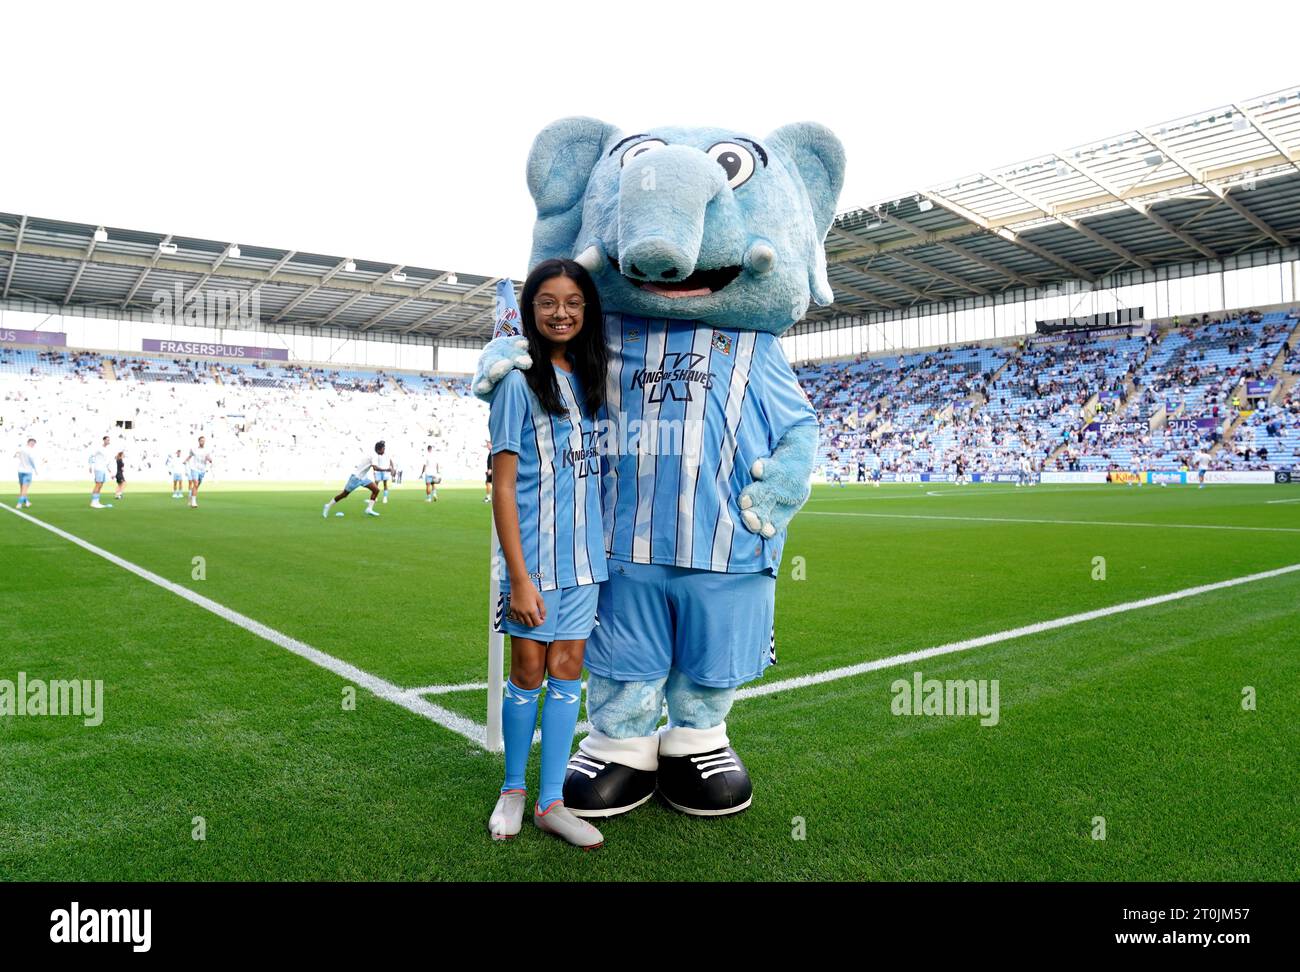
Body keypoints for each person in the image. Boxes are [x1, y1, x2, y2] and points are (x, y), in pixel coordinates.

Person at [487, 259, 608, 849]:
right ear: (531, 311)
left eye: (573, 302)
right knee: (527, 671)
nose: (561, 313)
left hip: (586, 559)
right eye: (548, 302)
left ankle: (551, 801)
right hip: (533, 562)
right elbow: (503, 485)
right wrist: (518, 576)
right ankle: (513, 789)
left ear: (587, 311)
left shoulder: (592, 379)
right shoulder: (517, 380)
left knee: (567, 673)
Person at [324, 441, 385, 517]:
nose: (384, 450)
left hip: (363, 478)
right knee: (344, 494)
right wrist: (388, 469)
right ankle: (328, 506)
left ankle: (369, 509)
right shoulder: (374, 456)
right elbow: (375, 468)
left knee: (376, 490)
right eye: (383, 449)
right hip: (356, 478)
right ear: (379, 449)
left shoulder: (374, 455)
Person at [184, 436, 213, 509]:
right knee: (196, 484)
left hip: (202, 470)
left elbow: (208, 457)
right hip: (194, 468)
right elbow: (190, 456)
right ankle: (194, 502)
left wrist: (210, 460)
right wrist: (185, 460)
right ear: (199, 441)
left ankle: (191, 495)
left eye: (204, 441)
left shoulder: (207, 450)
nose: (203, 442)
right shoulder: (194, 449)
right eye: (201, 441)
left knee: (196, 486)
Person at [89, 435, 113, 509]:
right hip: (98, 468)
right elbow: (91, 456)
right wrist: (90, 466)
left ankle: (97, 502)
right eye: (107, 440)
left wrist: (109, 470)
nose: (109, 441)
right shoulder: (99, 448)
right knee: (98, 484)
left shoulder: (107, 450)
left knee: (101, 485)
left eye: (109, 440)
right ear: (104, 440)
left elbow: (106, 461)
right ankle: (93, 502)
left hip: (103, 469)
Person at [15, 437, 36, 509]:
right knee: (24, 489)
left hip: (20, 470)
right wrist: (36, 469)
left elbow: (16, 455)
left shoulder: (21, 449)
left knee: (22, 488)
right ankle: (19, 503)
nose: (33, 445)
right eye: (33, 443)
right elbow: (32, 461)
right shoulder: (31, 451)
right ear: (30, 443)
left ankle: (27, 502)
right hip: (28, 471)